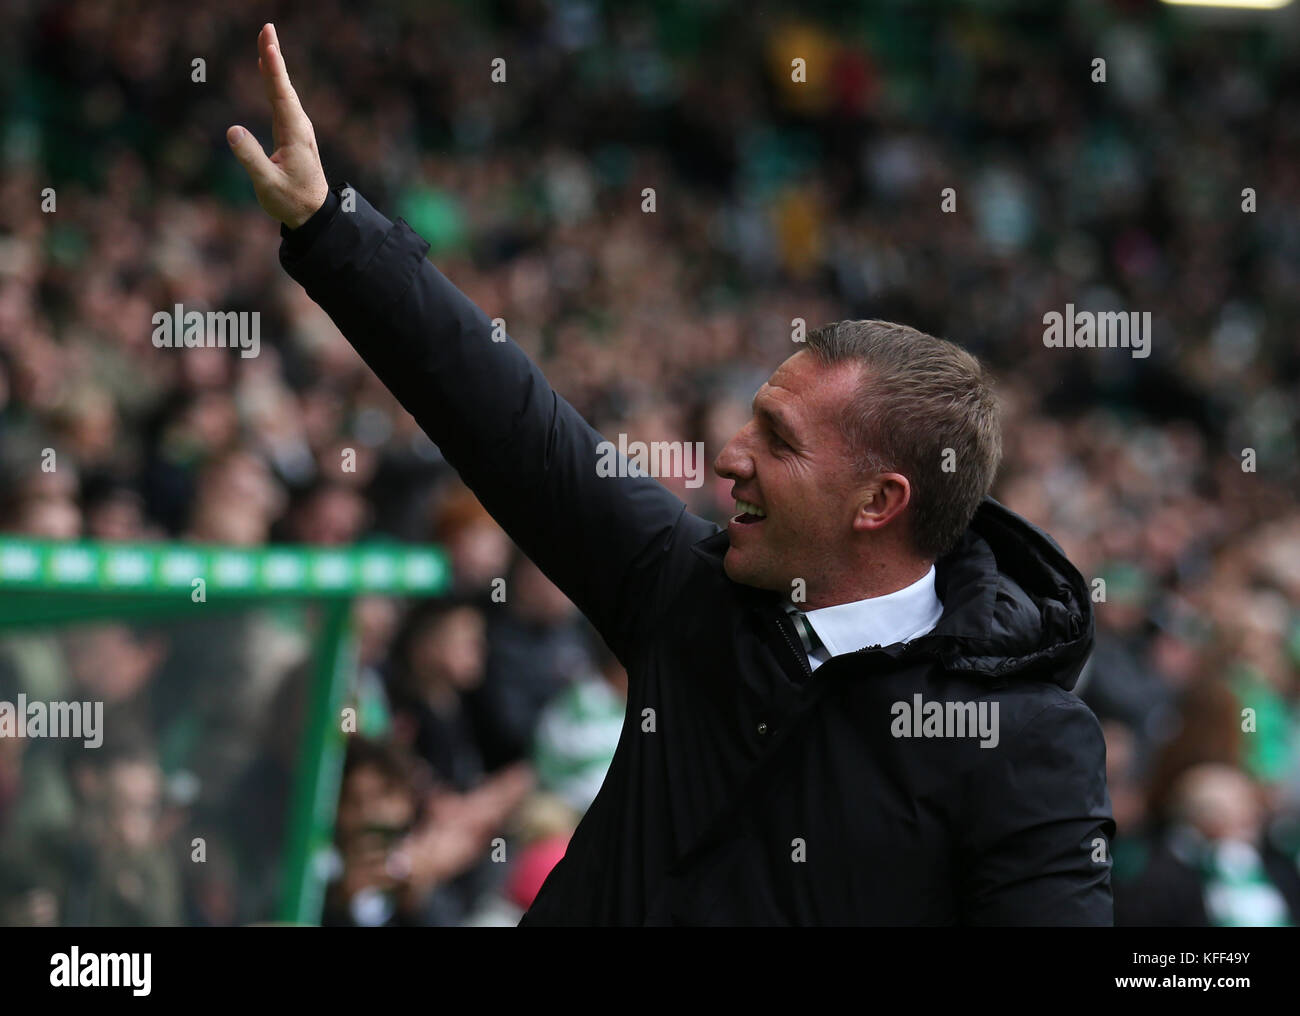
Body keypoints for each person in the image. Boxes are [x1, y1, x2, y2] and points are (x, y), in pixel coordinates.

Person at [228, 23, 1114, 925]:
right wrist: (333, 227)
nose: (731, 457)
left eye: (779, 439)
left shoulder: (1022, 741)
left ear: (879, 503)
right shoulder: (686, 585)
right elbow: (505, 420)